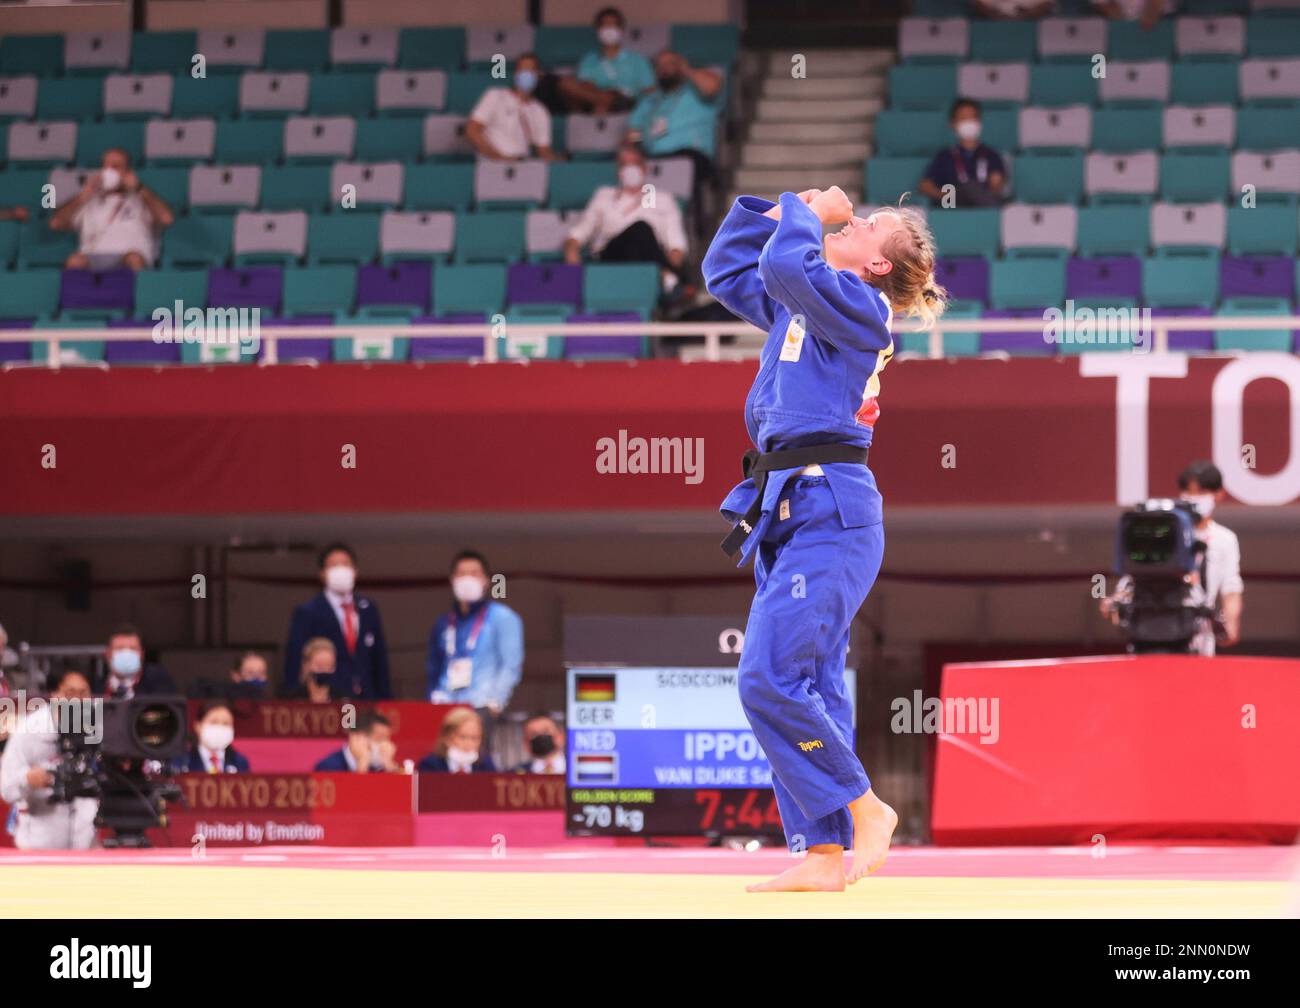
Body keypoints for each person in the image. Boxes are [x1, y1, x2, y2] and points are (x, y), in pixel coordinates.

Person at [703, 184, 946, 891]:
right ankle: (822, 851)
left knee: (766, 678)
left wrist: (809, 212)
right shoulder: (806, 301)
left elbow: (786, 268)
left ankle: (865, 805)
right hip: (789, 506)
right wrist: (772, 214)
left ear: (875, 267)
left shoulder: (864, 310)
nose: (856, 220)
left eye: (869, 226)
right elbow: (728, 273)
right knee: (807, 683)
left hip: (830, 510)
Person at [1101, 461, 1243, 655]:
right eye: (1187, 491)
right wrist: (1116, 598)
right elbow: (1139, 570)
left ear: (1218, 494)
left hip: (1198, 636)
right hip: (1149, 628)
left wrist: (1230, 622)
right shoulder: (1163, 530)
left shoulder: (1225, 539)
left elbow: (1231, 586)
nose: (1192, 497)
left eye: (1200, 491)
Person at [565, 142, 689, 294]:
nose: (630, 169)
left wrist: (675, 257)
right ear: (618, 171)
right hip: (611, 258)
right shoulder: (604, 195)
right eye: (624, 164)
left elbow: (676, 243)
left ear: (645, 168)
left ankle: (664, 276)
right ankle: (668, 276)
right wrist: (571, 249)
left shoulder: (663, 199)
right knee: (641, 228)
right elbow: (580, 232)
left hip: (647, 260)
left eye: (635, 163)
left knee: (641, 237)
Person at [626, 50, 722, 235]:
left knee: (685, 167)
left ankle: (697, 229)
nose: (664, 69)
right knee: (633, 167)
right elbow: (631, 134)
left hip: (691, 156)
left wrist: (686, 69)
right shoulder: (650, 100)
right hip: (652, 158)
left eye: (670, 63)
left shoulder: (695, 91)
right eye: (660, 66)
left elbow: (712, 86)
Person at [426, 550, 524, 733]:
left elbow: (511, 664)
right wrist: (433, 698)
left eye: (474, 573)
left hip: (481, 705)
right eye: (461, 574)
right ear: (452, 579)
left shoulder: (503, 618)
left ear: (486, 580)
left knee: (475, 758)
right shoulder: (444, 622)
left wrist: (495, 702)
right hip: (445, 705)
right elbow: (434, 666)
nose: (467, 579)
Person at [0, 668, 98, 849]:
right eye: (69, 693)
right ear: (54, 694)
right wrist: (27, 779)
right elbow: (6, 788)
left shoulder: (99, 726)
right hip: (40, 843)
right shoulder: (29, 729)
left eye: (83, 693)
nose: (77, 700)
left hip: (86, 842)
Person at [284, 543, 391, 699]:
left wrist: (386, 700)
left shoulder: (369, 609)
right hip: (329, 699)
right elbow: (294, 662)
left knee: (357, 724)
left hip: (367, 699)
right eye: (334, 565)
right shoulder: (307, 612)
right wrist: (294, 699)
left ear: (355, 572)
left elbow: (379, 661)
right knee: (348, 723)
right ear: (322, 573)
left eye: (346, 564)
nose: (340, 570)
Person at [49, 147, 174, 271]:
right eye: (105, 166)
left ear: (128, 171)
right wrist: (83, 195)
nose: (108, 171)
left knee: (134, 260)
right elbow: (55, 223)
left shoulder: (141, 199)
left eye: (115, 166)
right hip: (93, 257)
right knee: (74, 261)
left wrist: (138, 187)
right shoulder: (89, 201)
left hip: (129, 256)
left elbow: (166, 218)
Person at [465, 53, 560, 162]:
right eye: (522, 69)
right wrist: (498, 158)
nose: (526, 74)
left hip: (523, 167)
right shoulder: (495, 95)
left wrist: (560, 161)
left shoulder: (540, 111)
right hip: (491, 166)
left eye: (531, 70)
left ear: (538, 76)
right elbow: (471, 130)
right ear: (516, 73)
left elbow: (544, 150)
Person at [918, 98, 1006, 209]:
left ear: (979, 122)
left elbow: (996, 185)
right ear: (953, 124)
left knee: (974, 189)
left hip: (982, 205)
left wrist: (993, 187)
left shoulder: (991, 155)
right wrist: (947, 196)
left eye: (972, 118)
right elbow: (925, 185)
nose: (969, 122)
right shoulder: (944, 156)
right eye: (963, 118)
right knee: (968, 188)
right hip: (952, 205)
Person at [575, 7, 654, 112]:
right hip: (598, 101)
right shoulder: (589, 61)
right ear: (598, 30)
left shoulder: (638, 60)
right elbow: (586, 88)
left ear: (621, 30)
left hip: (629, 103)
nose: (608, 28)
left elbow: (649, 90)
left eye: (613, 24)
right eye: (604, 25)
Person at [94, 624, 176, 697]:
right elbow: (87, 714)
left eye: (133, 649)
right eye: (120, 649)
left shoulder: (159, 681)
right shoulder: (95, 688)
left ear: (142, 654)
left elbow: (163, 712)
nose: (126, 654)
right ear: (108, 654)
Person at [174, 700, 251, 773]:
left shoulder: (240, 762)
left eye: (226, 723)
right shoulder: (182, 762)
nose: (220, 728)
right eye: (214, 722)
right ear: (198, 726)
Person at [417, 707, 498, 774]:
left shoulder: (486, 767)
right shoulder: (429, 766)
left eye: (474, 738)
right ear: (447, 738)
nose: (468, 743)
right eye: (462, 737)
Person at [313, 711, 399, 773]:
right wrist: (362, 765)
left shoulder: (380, 768)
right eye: (379, 739)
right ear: (355, 738)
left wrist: (389, 767)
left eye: (386, 739)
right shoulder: (328, 767)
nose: (386, 745)